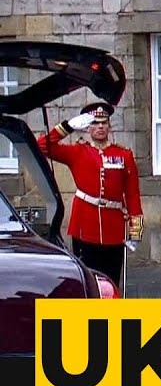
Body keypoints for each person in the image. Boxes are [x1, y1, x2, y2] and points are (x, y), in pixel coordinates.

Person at [36, 102, 142, 292]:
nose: (100, 127)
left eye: (103, 122)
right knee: (87, 282)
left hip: (113, 229)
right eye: (94, 123)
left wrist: (136, 231)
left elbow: (133, 195)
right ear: (87, 127)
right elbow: (42, 146)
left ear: (109, 126)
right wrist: (67, 126)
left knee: (111, 283)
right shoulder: (77, 151)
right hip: (85, 226)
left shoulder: (124, 155)